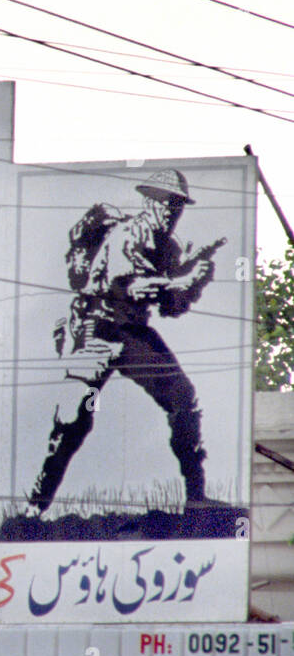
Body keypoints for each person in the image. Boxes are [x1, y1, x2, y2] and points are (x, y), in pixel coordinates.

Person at [26, 168, 225, 515]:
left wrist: (195, 281)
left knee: (183, 399)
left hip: (133, 332)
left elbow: (171, 309)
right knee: (73, 419)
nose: (170, 212)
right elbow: (127, 285)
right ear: (148, 201)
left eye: (176, 206)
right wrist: (179, 281)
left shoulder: (169, 248)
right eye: (165, 204)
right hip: (97, 328)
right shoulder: (126, 234)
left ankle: (196, 497)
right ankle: (34, 508)